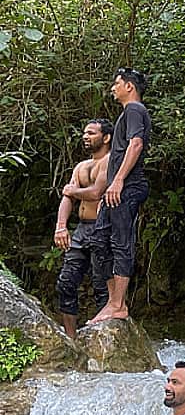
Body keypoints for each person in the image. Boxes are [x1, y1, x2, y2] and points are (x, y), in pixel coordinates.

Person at [89, 67, 152, 324]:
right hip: (117, 188)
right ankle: (115, 302)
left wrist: (118, 181)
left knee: (120, 242)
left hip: (128, 186)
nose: (113, 88)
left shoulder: (135, 110)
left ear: (129, 86)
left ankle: (117, 306)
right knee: (99, 240)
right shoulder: (127, 113)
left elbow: (135, 144)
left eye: (117, 83)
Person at [53, 119, 113, 337]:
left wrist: (72, 191)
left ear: (106, 138)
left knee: (102, 285)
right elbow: (67, 199)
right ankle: (71, 338)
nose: (85, 136)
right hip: (81, 229)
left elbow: (96, 192)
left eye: (91, 133)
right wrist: (61, 226)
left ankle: (103, 339)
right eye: (84, 133)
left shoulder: (110, 161)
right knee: (66, 283)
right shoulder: (80, 167)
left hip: (104, 228)